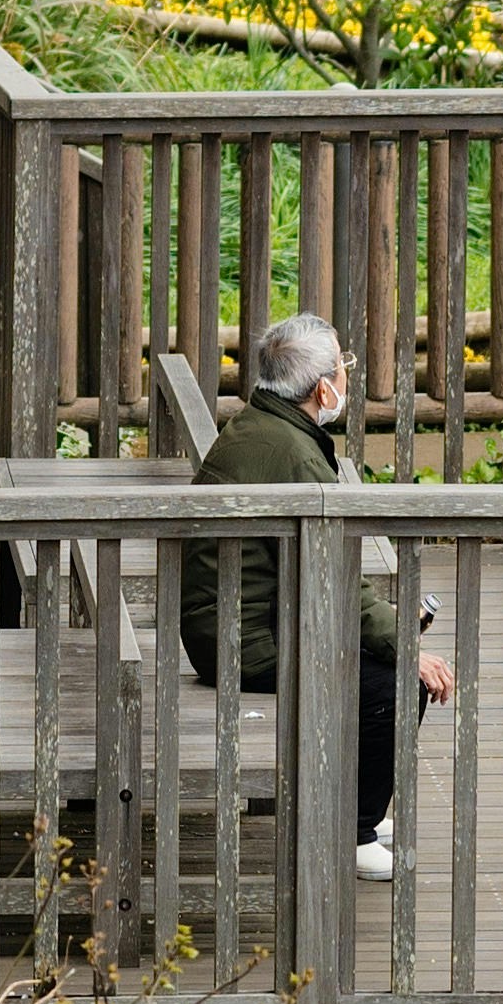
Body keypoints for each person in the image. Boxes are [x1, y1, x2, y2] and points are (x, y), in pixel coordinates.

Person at [179, 311, 452, 879]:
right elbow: (335, 582)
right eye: (343, 365)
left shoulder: (266, 428)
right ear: (321, 387)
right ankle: (350, 830)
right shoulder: (295, 454)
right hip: (241, 642)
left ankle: (357, 813)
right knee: (394, 682)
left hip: (231, 624)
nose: (346, 376)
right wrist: (404, 645)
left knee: (380, 659)